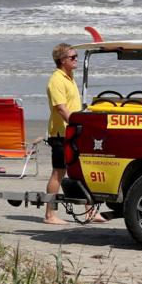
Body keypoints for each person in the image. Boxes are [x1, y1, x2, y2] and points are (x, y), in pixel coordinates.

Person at [44, 43, 106, 226]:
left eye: (76, 56)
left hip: (73, 132)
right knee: (58, 172)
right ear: (62, 60)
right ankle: (49, 215)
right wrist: (78, 124)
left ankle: (90, 212)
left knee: (81, 170)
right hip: (61, 133)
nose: (76, 59)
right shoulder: (56, 80)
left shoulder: (69, 77)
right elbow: (61, 109)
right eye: (72, 57)